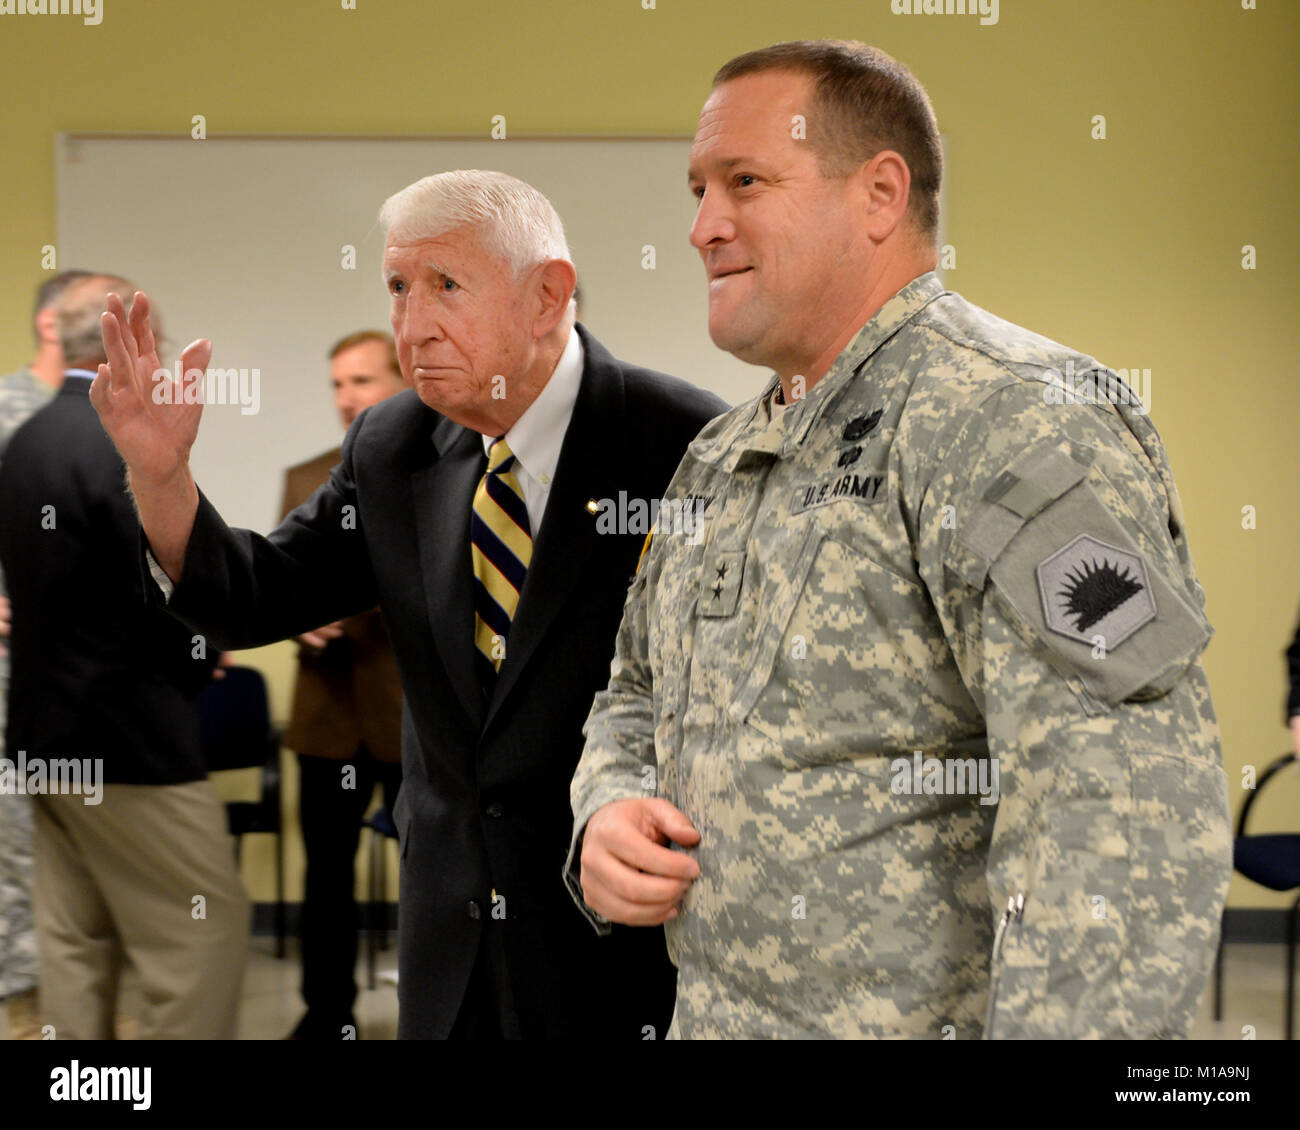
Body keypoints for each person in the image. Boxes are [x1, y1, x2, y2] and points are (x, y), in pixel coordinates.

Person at [566, 39, 1233, 1039]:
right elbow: (633, 689)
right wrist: (608, 809)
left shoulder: (1013, 419)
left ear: (880, 193)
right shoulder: (720, 451)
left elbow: (1122, 823)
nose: (703, 226)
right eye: (698, 189)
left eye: (744, 181)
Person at [90, 170, 728, 1039]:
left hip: (616, 944)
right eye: (397, 287)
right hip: (448, 937)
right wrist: (161, 478)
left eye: (446, 287)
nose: (411, 325)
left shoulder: (682, 443)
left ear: (548, 296)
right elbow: (252, 597)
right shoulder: (392, 445)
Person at [0, 275, 248, 1039]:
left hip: (42, 737)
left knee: (77, 944)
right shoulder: (121, 443)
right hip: (128, 741)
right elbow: (160, 587)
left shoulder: (30, 438)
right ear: (124, 348)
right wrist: (202, 653)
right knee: (201, 937)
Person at [284, 330, 408, 1040]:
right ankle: (323, 1015)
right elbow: (281, 578)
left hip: (409, 712)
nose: (345, 398)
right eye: (336, 384)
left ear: (403, 382)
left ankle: (431, 1010)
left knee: (430, 878)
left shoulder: (448, 464)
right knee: (324, 878)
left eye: (360, 381)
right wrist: (298, 618)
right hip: (328, 712)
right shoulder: (305, 477)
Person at [1, 269, 101, 1039]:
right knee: (18, 866)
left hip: (94, 687)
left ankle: (68, 1031)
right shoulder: (8, 415)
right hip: (17, 680)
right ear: (51, 326)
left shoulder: (113, 416)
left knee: (74, 887)